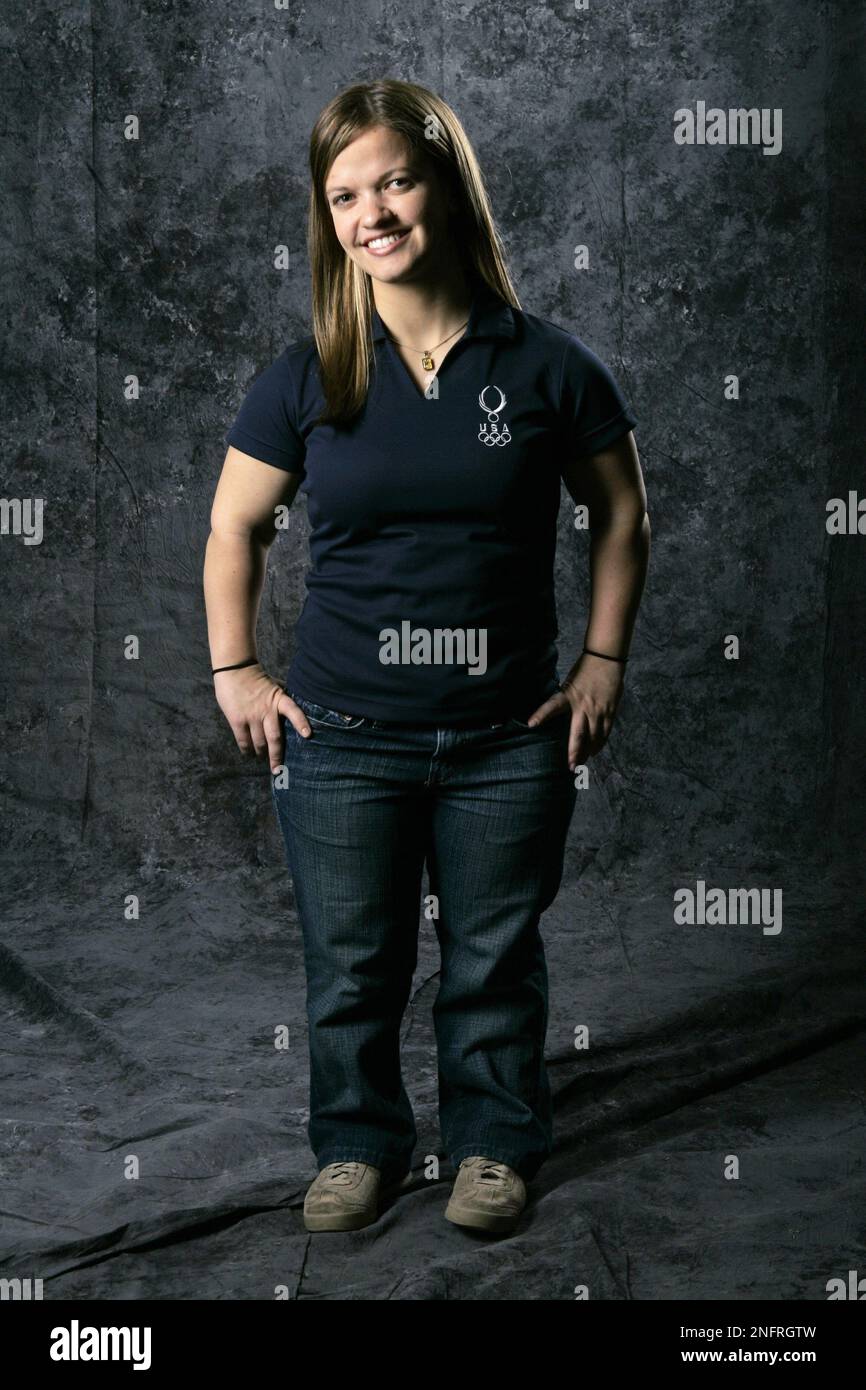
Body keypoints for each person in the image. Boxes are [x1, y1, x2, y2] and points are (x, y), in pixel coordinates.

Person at [204, 78, 650, 1238]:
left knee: (491, 958)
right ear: (328, 217)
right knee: (352, 967)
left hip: (509, 739)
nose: (373, 212)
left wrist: (601, 658)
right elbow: (233, 529)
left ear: (443, 186)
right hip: (345, 741)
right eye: (345, 194)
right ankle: (358, 1143)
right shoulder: (308, 375)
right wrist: (233, 672)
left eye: (394, 180)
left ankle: (492, 1143)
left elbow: (621, 514)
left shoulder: (550, 365)